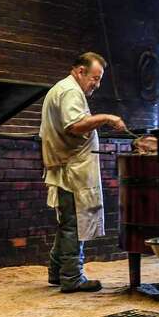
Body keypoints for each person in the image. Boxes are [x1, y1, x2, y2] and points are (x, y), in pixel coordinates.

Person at [41, 52, 127, 293]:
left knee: (67, 223)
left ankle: (57, 271)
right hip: (71, 171)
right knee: (74, 225)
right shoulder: (69, 91)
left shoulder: (65, 89)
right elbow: (75, 126)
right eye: (95, 78)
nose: (97, 85)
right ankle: (72, 277)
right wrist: (107, 118)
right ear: (80, 71)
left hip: (69, 168)